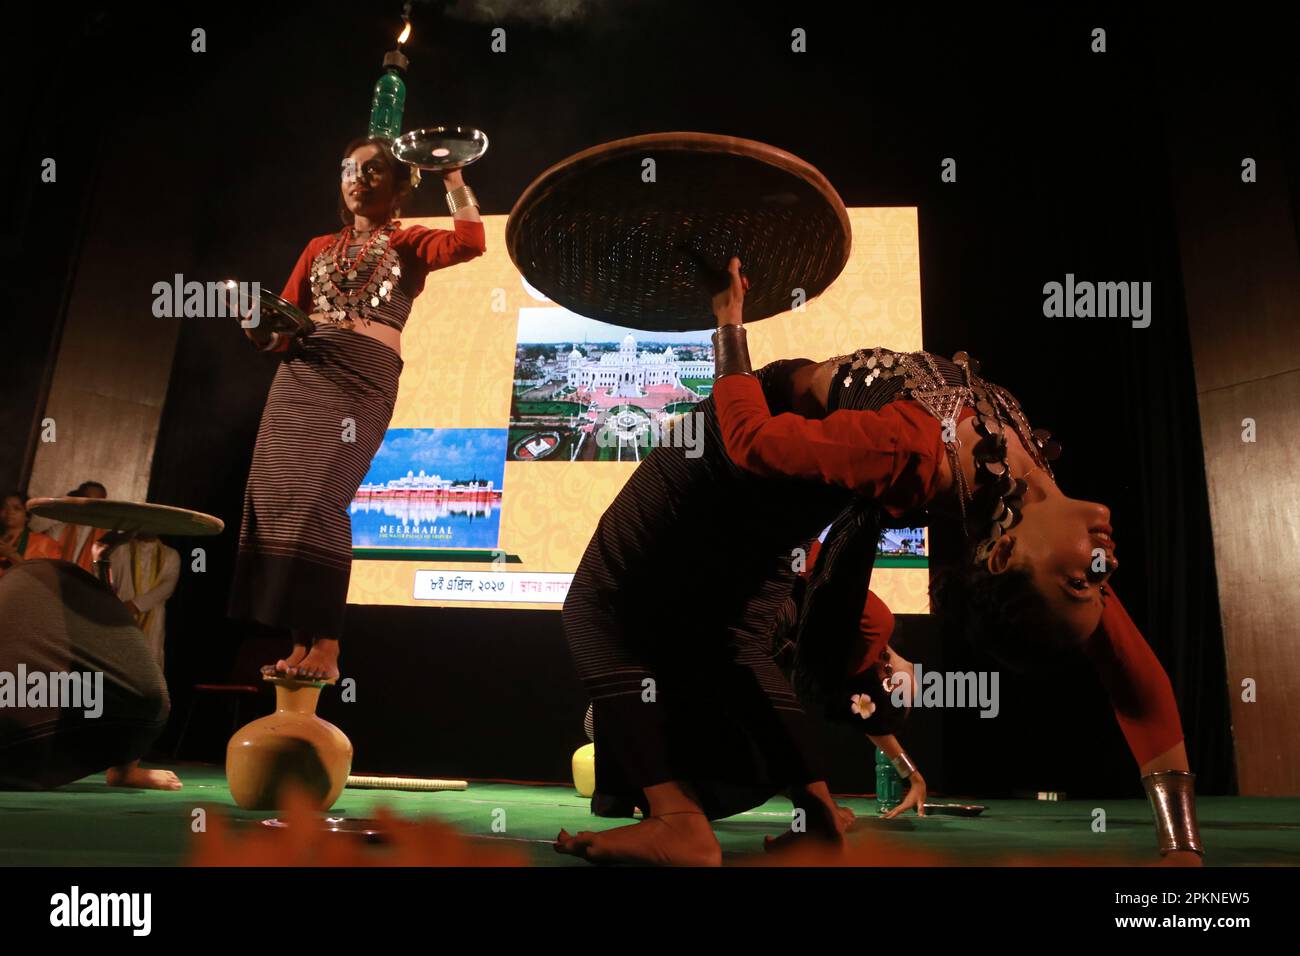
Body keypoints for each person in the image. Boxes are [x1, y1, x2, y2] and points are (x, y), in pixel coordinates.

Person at [558, 258, 1200, 864]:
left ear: (1002, 555)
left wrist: (727, 319)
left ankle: (678, 821)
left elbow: (753, 444)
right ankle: (818, 820)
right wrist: (1182, 847)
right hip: (776, 482)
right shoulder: (1028, 495)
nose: (1102, 568)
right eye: (1097, 581)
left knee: (595, 605)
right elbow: (1135, 678)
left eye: (1079, 582)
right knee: (738, 641)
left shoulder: (913, 451)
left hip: (737, 449)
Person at [229, 138, 485, 681]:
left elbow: (470, 242)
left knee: (322, 498)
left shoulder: (409, 240)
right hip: (302, 371)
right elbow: (284, 328)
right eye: (349, 170)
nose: (357, 180)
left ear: (398, 186)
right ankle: (298, 643)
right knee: (281, 501)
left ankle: (327, 643)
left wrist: (453, 177)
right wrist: (258, 329)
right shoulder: (318, 245)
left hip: (360, 375)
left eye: (372, 172)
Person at [110, 534, 181, 669]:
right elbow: (112, 581)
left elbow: (167, 587)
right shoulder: (121, 549)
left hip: (153, 617)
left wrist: (136, 604)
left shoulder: (171, 554)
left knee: (149, 665)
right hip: (122, 613)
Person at [0, 491, 62, 577]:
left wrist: (12, 555)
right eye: (4, 507)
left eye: (17, 508)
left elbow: (47, 578)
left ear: (27, 516)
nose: (9, 512)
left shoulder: (44, 543)